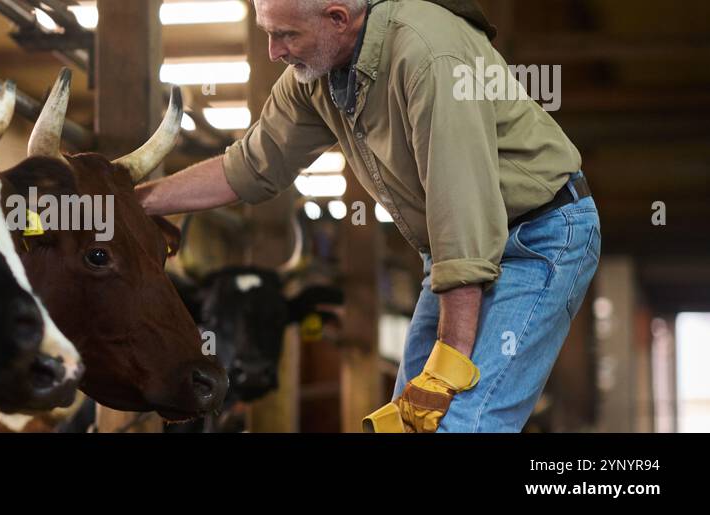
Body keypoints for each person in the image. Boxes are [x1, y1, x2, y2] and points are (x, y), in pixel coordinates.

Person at [136, 0, 599, 432]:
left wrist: (451, 360)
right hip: (454, 252)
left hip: (537, 235)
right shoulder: (315, 76)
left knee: (458, 423)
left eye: (286, 35)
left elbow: (461, 208)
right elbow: (253, 166)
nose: (274, 52)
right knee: (410, 423)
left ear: (338, 19)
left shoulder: (429, 56)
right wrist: (137, 201)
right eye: (267, 33)